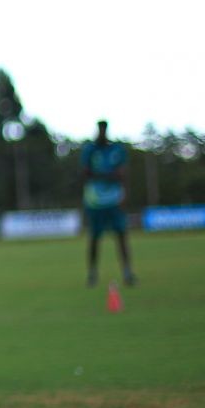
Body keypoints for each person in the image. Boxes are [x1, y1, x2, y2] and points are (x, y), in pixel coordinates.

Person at [80, 120, 136, 287]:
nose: (102, 133)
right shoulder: (90, 150)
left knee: (121, 236)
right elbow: (85, 173)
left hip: (114, 199)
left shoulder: (117, 150)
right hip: (95, 200)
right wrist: (107, 175)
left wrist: (124, 192)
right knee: (95, 238)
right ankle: (92, 273)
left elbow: (122, 174)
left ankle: (127, 272)